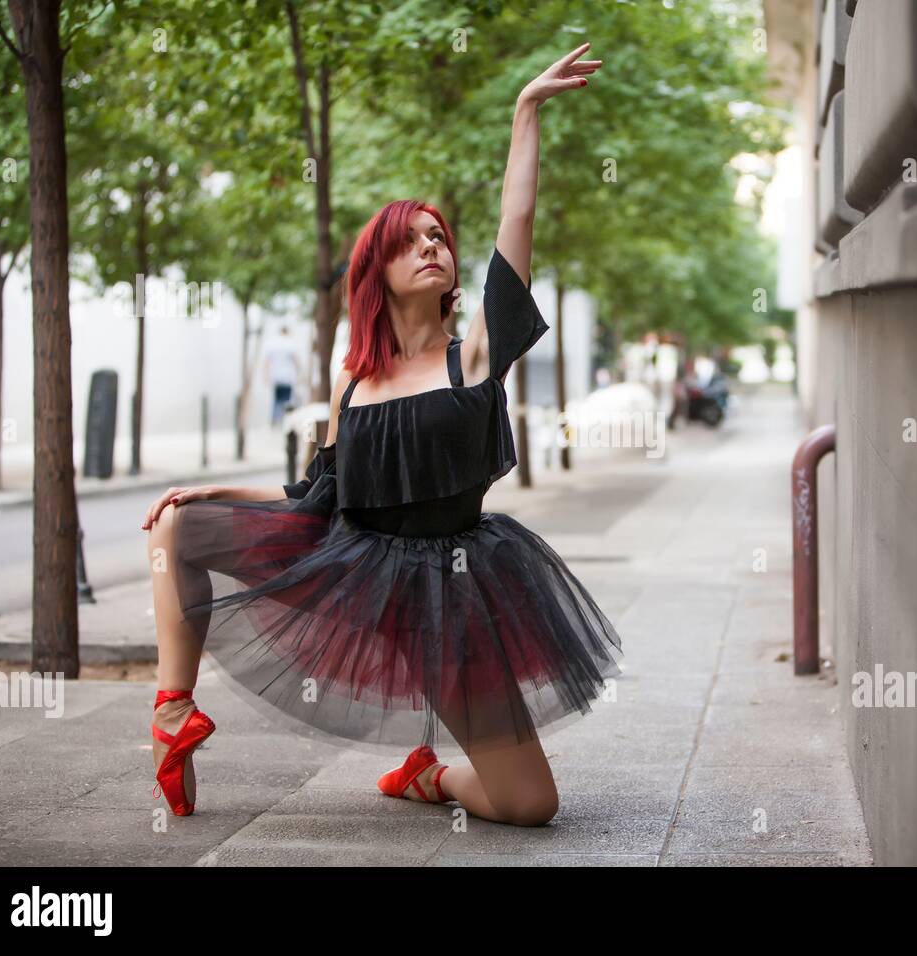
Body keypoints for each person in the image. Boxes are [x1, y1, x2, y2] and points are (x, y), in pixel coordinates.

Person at [140, 44, 620, 828]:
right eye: (411, 240)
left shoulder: (476, 355)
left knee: (530, 804)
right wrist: (213, 492)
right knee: (177, 529)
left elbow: (517, 220)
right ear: (378, 270)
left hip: (459, 590)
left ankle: (429, 779)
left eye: (439, 238)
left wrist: (525, 110)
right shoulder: (353, 382)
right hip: (364, 575)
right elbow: (320, 500)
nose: (432, 246)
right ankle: (171, 715)